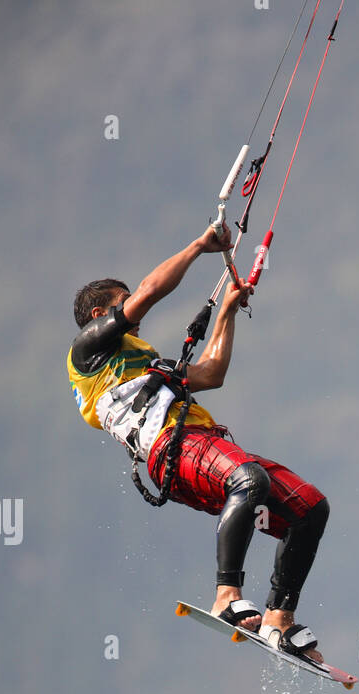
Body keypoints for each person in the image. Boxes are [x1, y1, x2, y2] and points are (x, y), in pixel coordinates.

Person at [66, 223, 329, 662]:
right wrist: (199, 247)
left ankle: (278, 620)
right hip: (171, 448)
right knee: (250, 480)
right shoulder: (86, 354)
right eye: (121, 302)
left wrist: (226, 310)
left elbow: (211, 374)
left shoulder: (145, 365)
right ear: (99, 316)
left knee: (309, 507)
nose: (134, 309)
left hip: (202, 448)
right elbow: (149, 291)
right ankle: (226, 596)